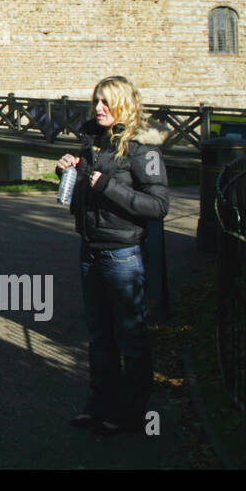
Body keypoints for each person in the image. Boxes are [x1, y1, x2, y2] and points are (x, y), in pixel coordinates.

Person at [55, 76, 169, 435]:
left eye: (106, 102)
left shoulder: (143, 148)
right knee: (100, 335)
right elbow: (86, 195)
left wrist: (105, 184)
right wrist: (70, 173)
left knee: (130, 336)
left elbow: (158, 205)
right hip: (90, 247)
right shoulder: (92, 140)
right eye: (96, 101)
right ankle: (99, 403)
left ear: (124, 104)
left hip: (122, 253)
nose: (98, 108)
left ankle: (131, 412)